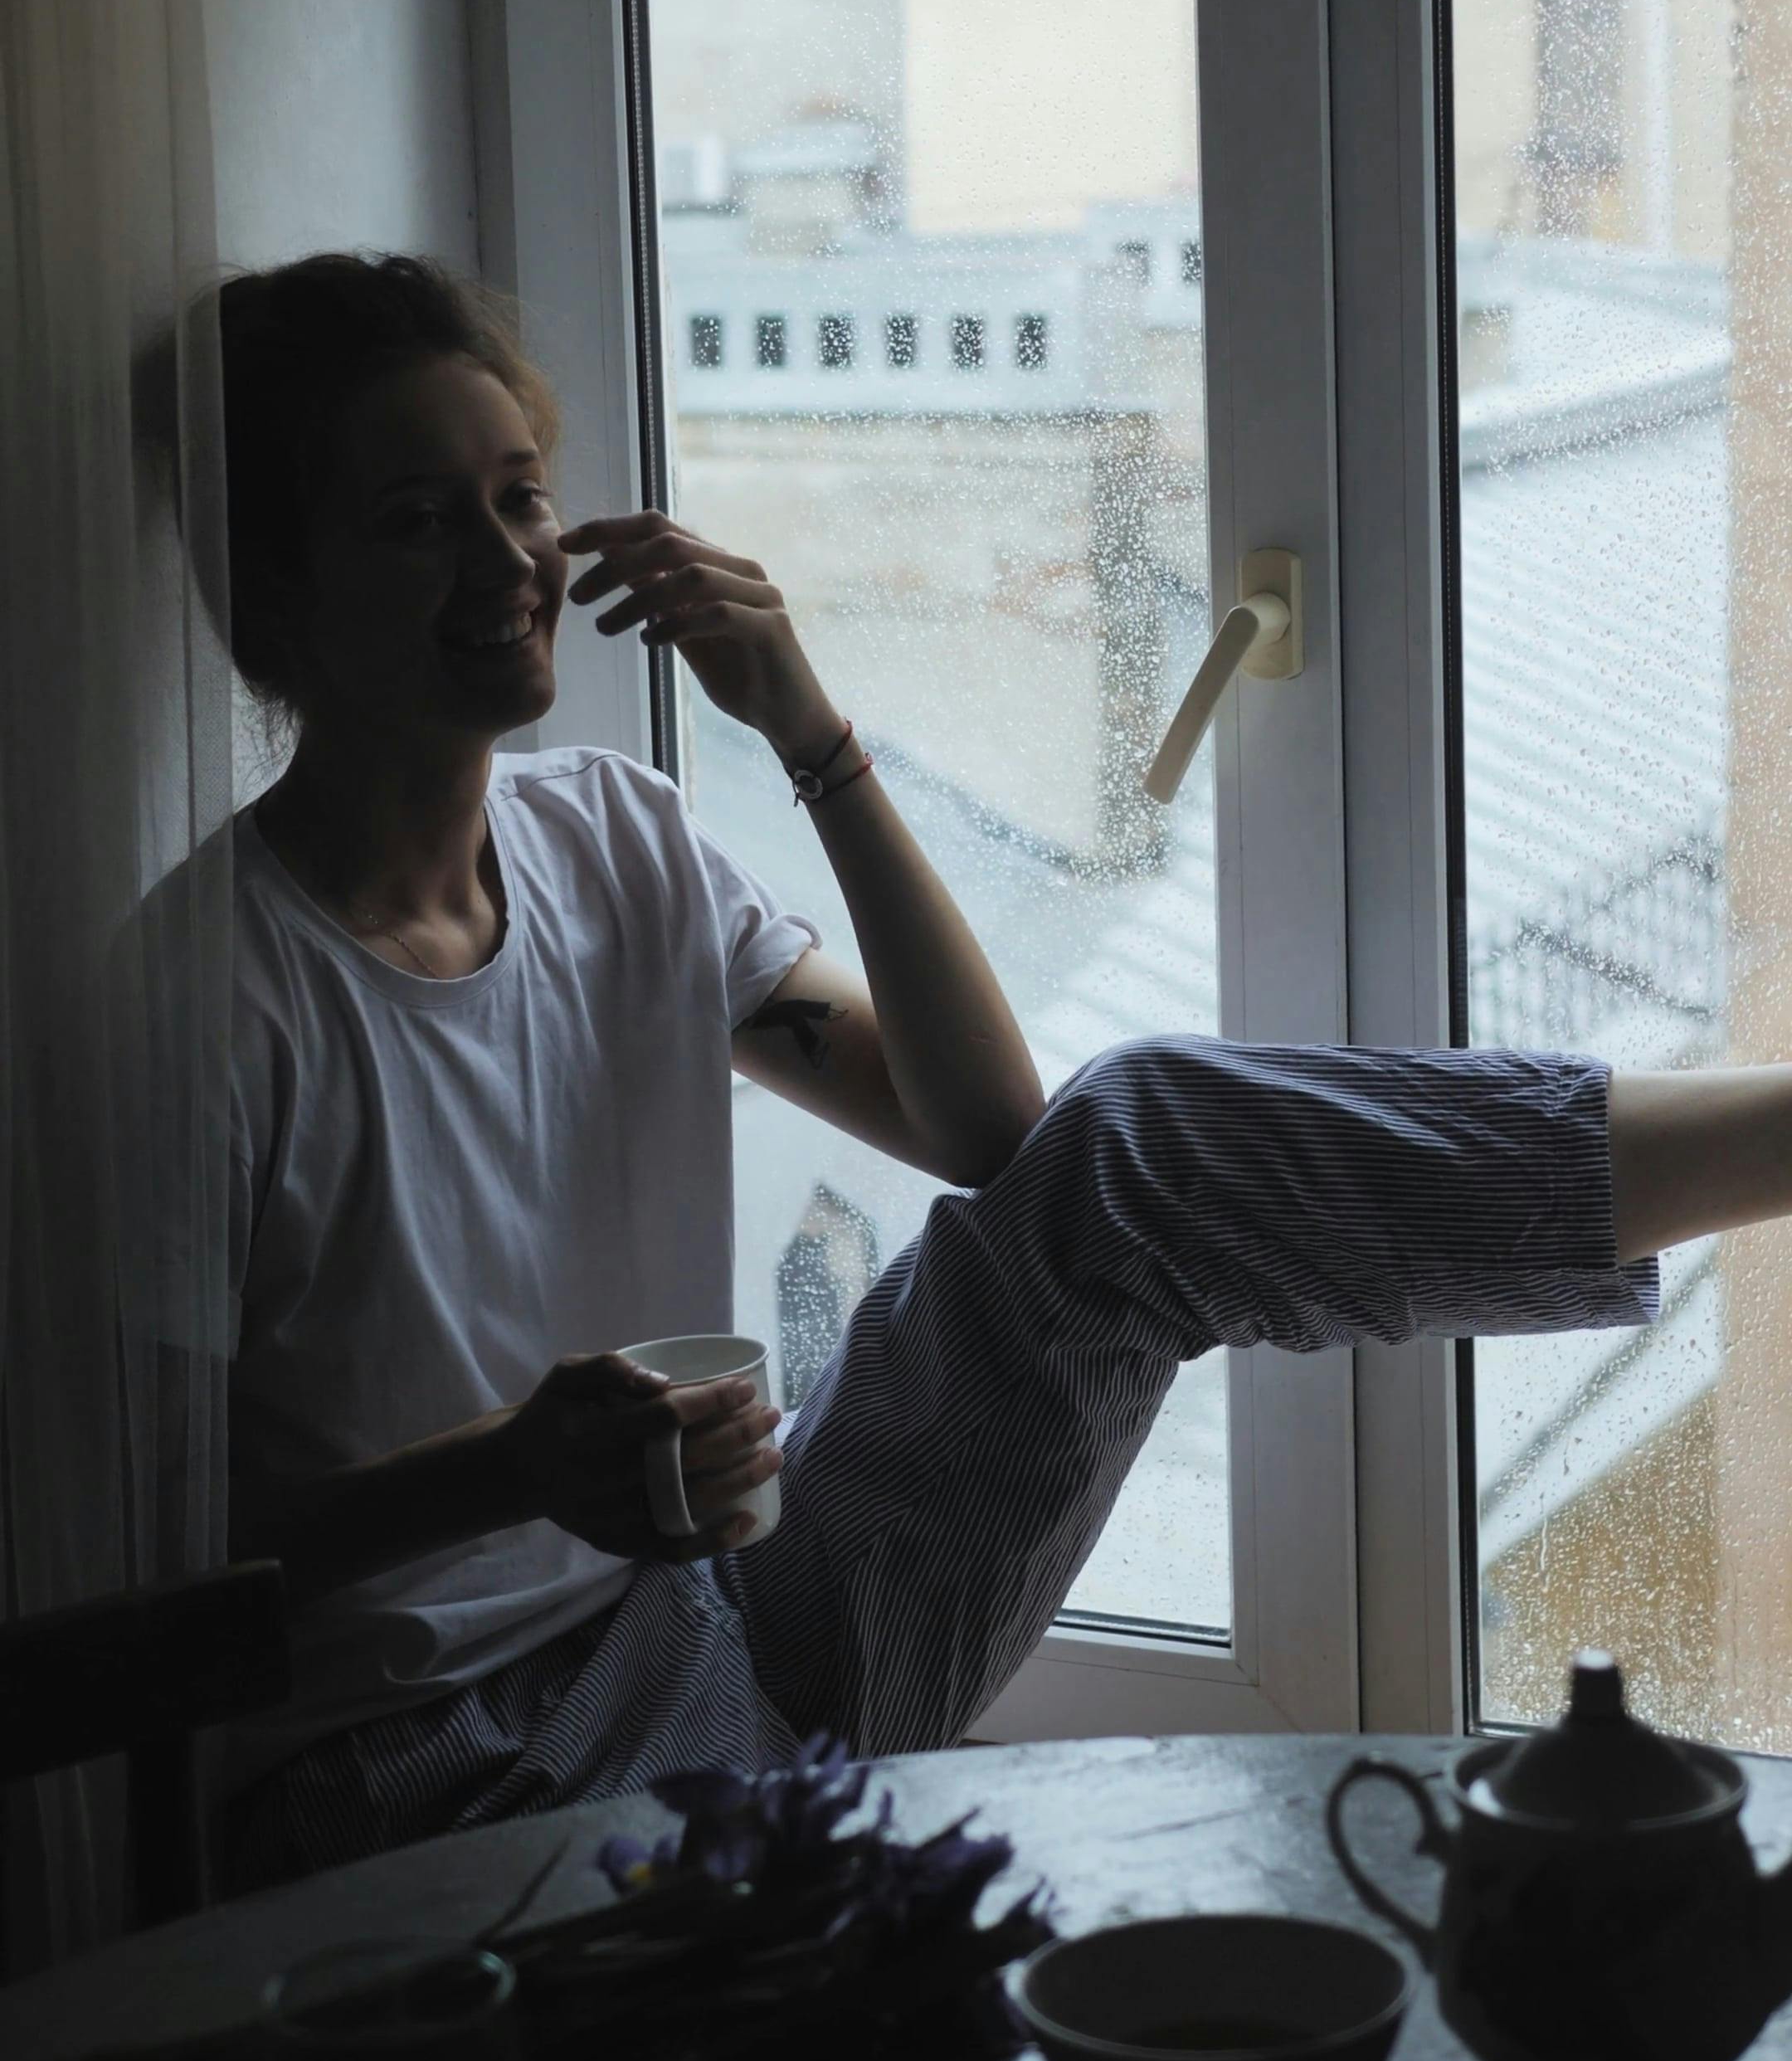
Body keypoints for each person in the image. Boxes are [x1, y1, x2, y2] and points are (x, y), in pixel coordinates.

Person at [213, 251, 1792, 1888]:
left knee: (1136, 1151)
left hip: (707, 1629)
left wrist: (808, 733)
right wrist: (511, 1471)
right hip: (426, 1775)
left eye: (522, 497)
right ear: (277, 597)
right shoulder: (214, 997)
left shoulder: (613, 843)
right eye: (417, 521)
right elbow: (154, 1562)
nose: (507, 561)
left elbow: (987, 1130)